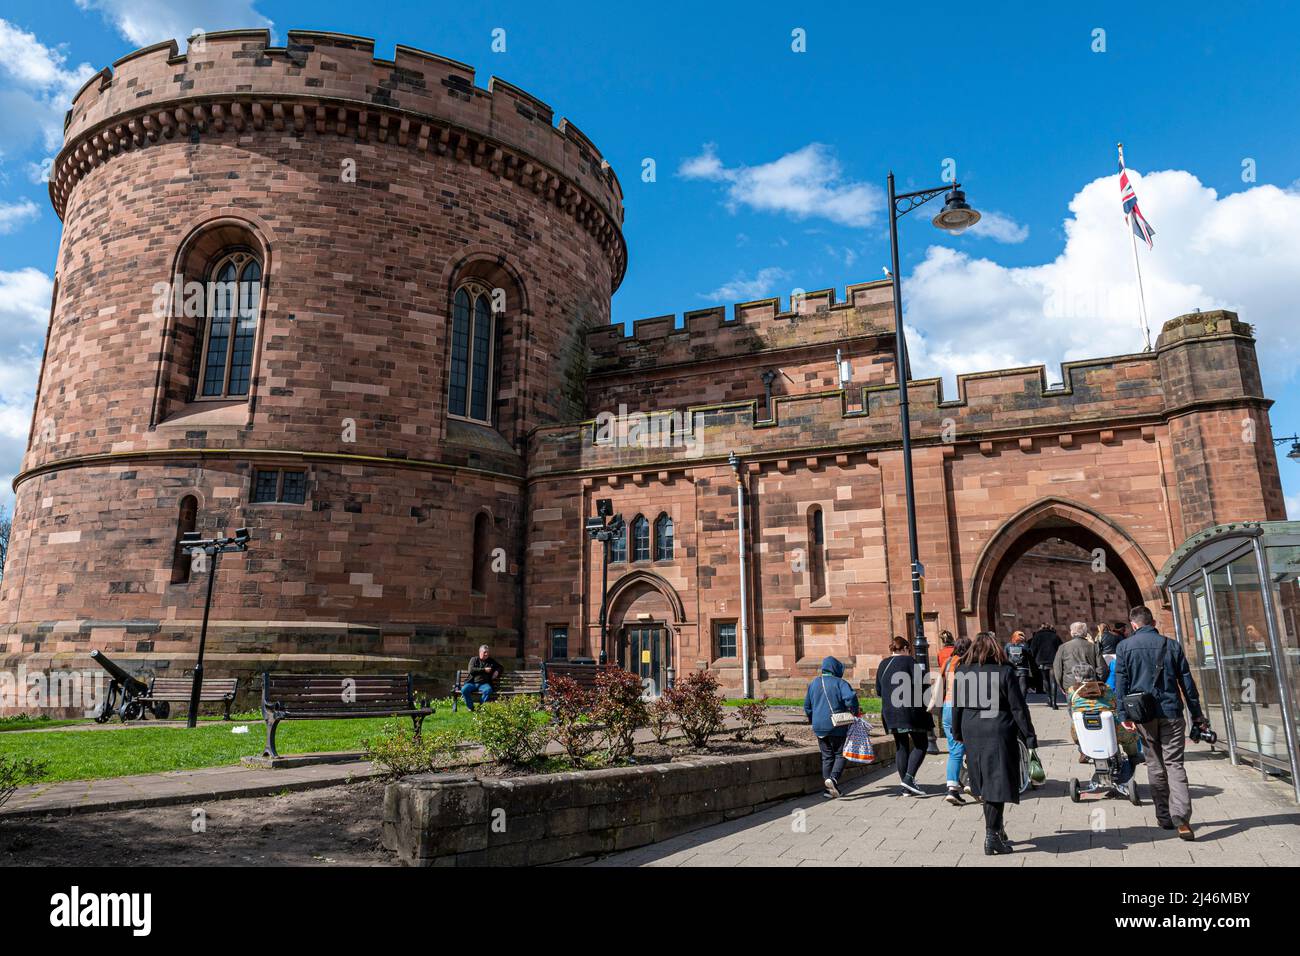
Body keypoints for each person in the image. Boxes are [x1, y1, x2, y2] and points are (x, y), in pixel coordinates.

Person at [1115, 605, 1208, 841]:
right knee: (1175, 764)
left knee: (1154, 764)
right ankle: (1182, 819)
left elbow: (1121, 684)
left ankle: (1164, 816)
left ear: (1133, 624)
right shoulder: (1172, 645)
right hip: (1171, 712)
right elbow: (1187, 685)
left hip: (1143, 715)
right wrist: (1196, 714)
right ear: (1153, 622)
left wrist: (1123, 715)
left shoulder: (1124, 647)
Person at [952, 631, 1038, 855]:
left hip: (972, 728)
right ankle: (992, 836)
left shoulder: (962, 671)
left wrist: (956, 731)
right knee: (996, 783)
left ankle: (997, 828)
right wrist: (1029, 735)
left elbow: (957, 706)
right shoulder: (1005, 671)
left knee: (985, 780)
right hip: (997, 729)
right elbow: (1018, 708)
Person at [876, 635, 930, 796]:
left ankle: (906, 787)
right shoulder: (910, 662)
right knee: (921, 744)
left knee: (901, 746)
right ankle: (908, 778)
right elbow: (922, 687)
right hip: (910, 712)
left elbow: (879, 691)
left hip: (890, 712)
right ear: (906, 648)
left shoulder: (883, 664)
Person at [1067, 663, 1139, 781]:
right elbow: (1115, 705)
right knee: (1130, 736)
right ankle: (1133, 757)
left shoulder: (1072, 690)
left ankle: (1084, 751)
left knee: (1078, 734)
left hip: (1083, 730)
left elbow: (1071, 710)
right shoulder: (1106, 688)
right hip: (1110, 729)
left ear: (1077, 677)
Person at [803, 656, 862, 798]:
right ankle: (833, 779)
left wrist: (813, 720)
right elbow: (850, 699)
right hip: (837, 725)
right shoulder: (840, 683)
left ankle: (828, 790)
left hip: (819, 726)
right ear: (836, 669)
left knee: (827, 756)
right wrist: (854, 711)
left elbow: (807, 706)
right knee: (841, 754)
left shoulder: (814, 683)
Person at [936, 635, 972, 805]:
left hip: (946, 708)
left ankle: (956, 785)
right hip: (961, 709)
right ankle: (963, 786)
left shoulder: (948, 662)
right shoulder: (967, 663)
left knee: (954, 751)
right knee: (970, 747)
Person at [1028, 622, 1063, 708]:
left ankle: (1049, 700)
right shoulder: (1055, 636)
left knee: (1045, 680)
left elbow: (1032, 650)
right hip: (1053, 661)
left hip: (1041, 661)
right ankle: (1054, 703)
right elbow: (1061, 648)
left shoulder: (1037, 636)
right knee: (1053, 681)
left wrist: (1035, 658)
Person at [460, 644, 503, 711]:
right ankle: (471, 707)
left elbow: (500, 667)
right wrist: (484, 670)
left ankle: (480, 707)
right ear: (480, 652)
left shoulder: (490, 661)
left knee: (488, 690)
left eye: (487, 652)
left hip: (484, 684)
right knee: (464, 690)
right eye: (484, 652)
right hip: (472, 683)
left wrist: (496, 672)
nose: (486, 654)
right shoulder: (474, 659)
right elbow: (471, 670)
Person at [1003, 630, 1034, 702]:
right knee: (1023, 686)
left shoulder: (1008, 645)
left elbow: (1005, 657)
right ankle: (1022, 701)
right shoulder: (1025, 645)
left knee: (1012, 685)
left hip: (1012, 668)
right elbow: (1031, 655)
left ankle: (1014, 700)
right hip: (1023, 668)